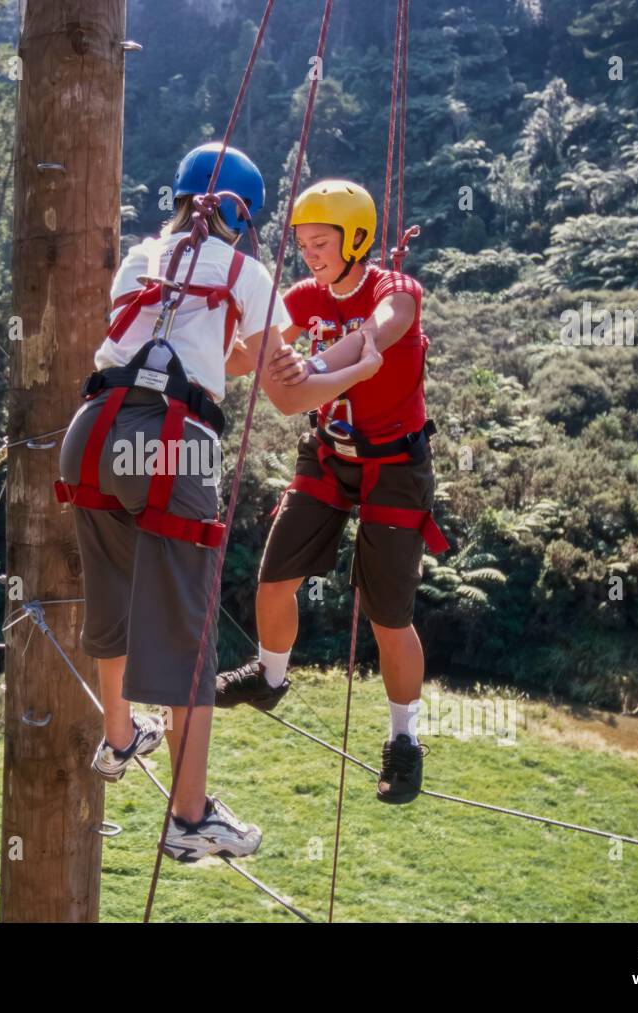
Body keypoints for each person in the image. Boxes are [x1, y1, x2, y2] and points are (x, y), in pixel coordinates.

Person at [55, 146, 381, 861]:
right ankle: (191, 815)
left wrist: (264, 352)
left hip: (91, 434)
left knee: (111, 597)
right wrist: (357, 364)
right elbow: (287, 394)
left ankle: (118, 736)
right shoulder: (249, 271)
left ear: (177, 198)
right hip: (174, 443)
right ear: (241, 213)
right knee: (188, 637)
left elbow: (178, 342)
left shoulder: (139, 258)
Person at [216, 178, 448, 805]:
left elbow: (384, 329)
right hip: (328, 453)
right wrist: (187, 353)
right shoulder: (303, 297)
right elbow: (249, 354)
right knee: (274, 574)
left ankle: (404, 742)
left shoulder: (394, 289)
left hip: (395, 464)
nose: (311, 254)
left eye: (322, 242)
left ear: (357, 240)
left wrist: (314, 366)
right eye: (304, 243)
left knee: (387, 614)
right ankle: (270, 676)